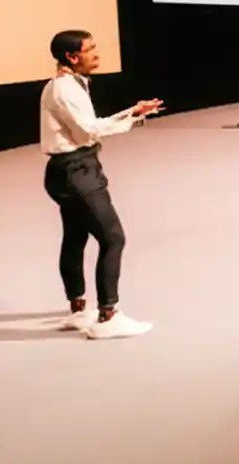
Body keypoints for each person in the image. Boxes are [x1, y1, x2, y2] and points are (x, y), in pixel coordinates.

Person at [41, 30, 161, 339]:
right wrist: (131, 118)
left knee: (76, 235)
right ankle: (108, 315)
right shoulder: (64, 89)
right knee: (113, 238)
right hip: (77, 171)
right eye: (90, 49)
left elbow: (87, 128)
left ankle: (80, 310)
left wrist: (132, 111)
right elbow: (87, 131)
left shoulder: (69, 84)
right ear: (72, 56)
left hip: (69, 170)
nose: (97, 54)